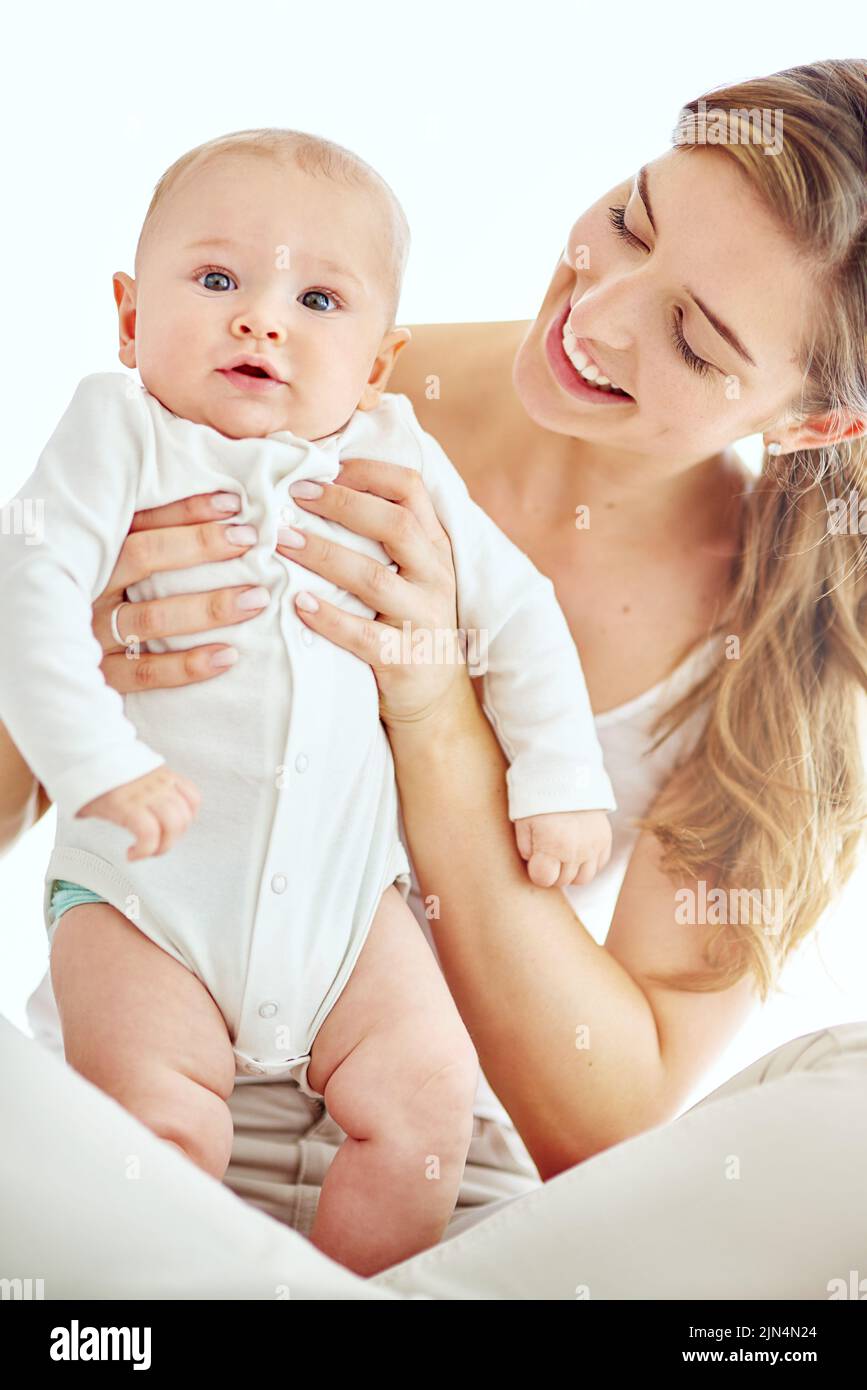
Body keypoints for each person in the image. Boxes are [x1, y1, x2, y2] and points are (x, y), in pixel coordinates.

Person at [3, 57, 867, 1297]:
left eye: (693, 336)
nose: (601, 313)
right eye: (631, 217)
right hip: (128, 1106)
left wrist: (434, 711)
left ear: (811, 425)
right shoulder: (275, 373)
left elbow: (608, 1123)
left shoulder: (787, 649)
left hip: (449, 1195)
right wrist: (72, 674)